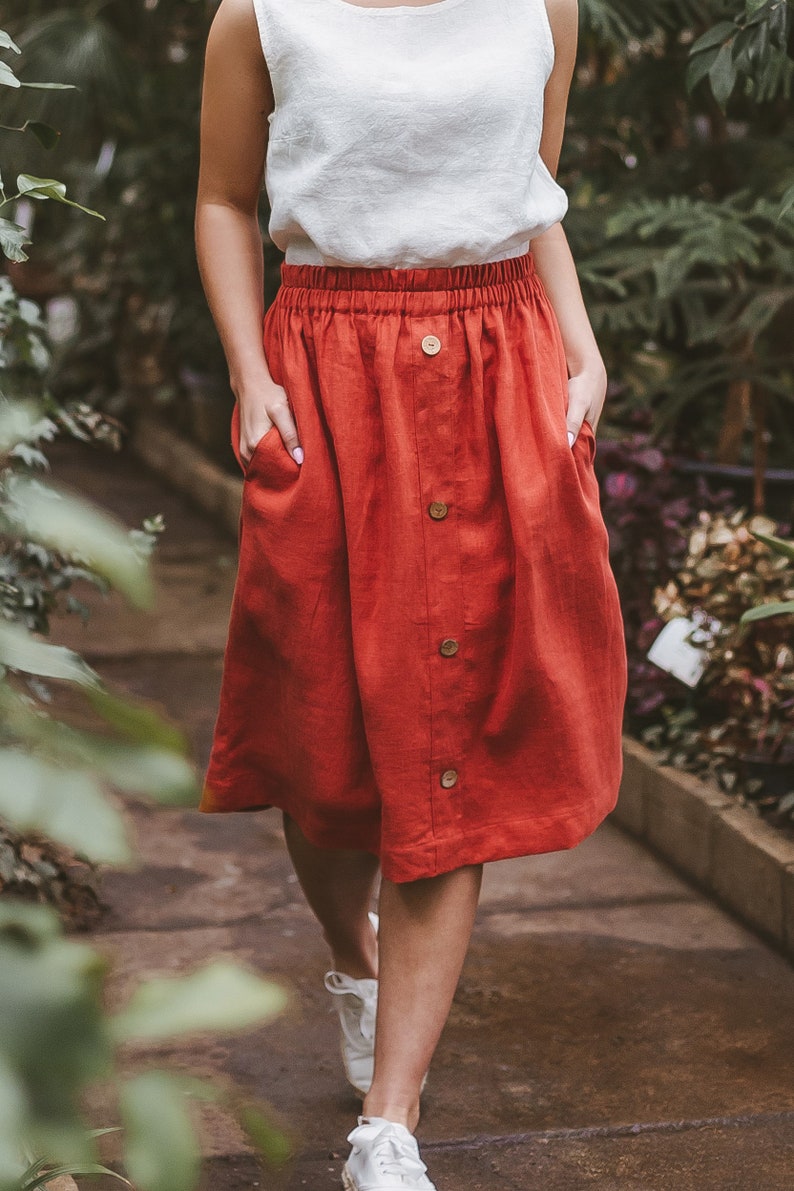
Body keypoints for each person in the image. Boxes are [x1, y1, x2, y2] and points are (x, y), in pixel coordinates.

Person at [194, 0, 628, 1186]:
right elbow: (224, 200)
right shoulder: (262, 12)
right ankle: (356, 957)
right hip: (327, 373)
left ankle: (387, 1128)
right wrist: (248, 371)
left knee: (453, 744)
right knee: (319, 737)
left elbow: (526, 194)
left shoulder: (545, 5)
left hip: (496, 366)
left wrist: (579, 349)